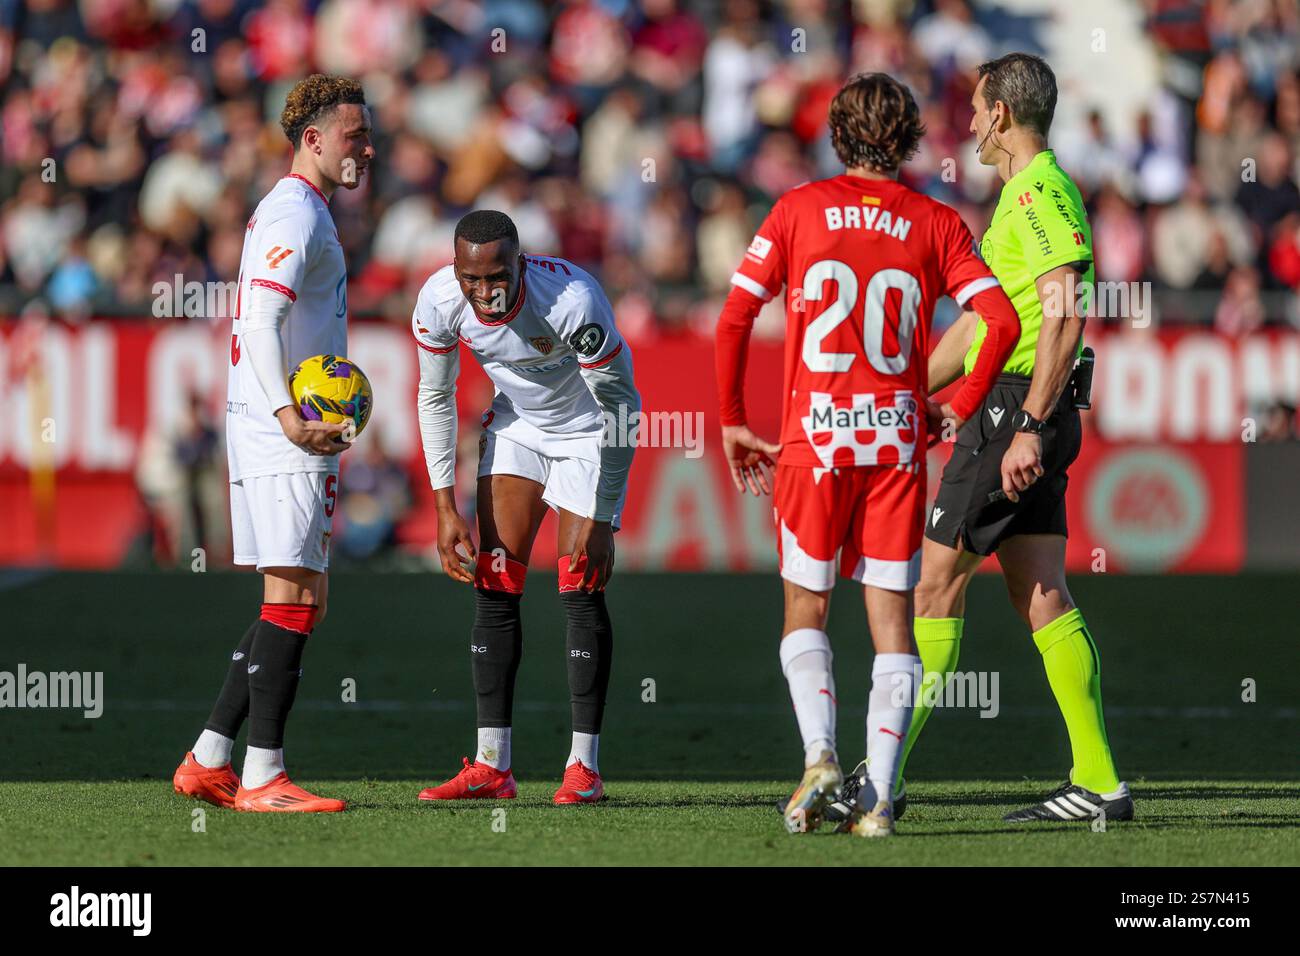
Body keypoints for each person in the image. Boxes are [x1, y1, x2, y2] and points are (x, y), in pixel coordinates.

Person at [715, 72, 1021, 836]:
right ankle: (877, 796)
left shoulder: (796, 210)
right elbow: (1001, 320)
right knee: (892, 621)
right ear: (911, 137)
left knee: (804, 607)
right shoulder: (936, 221)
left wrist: (731, 421)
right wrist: (955, 405)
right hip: (893, 440)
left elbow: (733, 318)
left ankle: (820, 754)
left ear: (837, 136)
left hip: (812, 438)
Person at [898, 53, 1133, 824]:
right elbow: (974, 326)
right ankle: (1098, 783)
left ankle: (878, 772)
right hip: (1014, 409)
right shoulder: (1016, 204)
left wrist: (1028, 426)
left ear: (1000, 114)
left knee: (933, 587)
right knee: (1040, 591)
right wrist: (899, 393)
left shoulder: (1040, 193)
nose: (967, 123)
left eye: (975, 109)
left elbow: (1066, 312)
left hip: (1012, 415)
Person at [172, 75, 374, 813]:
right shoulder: (296, 212)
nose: (368, 147)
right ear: (313, 140)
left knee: (298, 599)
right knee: (292, 598)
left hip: (275, 424)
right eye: (356, 135)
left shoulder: (297, 209)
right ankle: (264, 776)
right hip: (287, 430)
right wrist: (292, 417)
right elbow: (257, 320)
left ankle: (210, 755)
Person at [414, 210, 639, 805]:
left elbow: (621, 409)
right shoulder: (439, 301)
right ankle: (493, 765)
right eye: (471, 279)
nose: (484, 293)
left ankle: (584, 768)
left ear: (520, 262)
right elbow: (434, 396)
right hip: (518, 427)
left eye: (497, 278)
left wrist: (604, 515)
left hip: (590, 431)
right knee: (494, 581)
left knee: (579, 583)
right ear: (456, 269)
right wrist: (443, 503)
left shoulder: (572, 300)